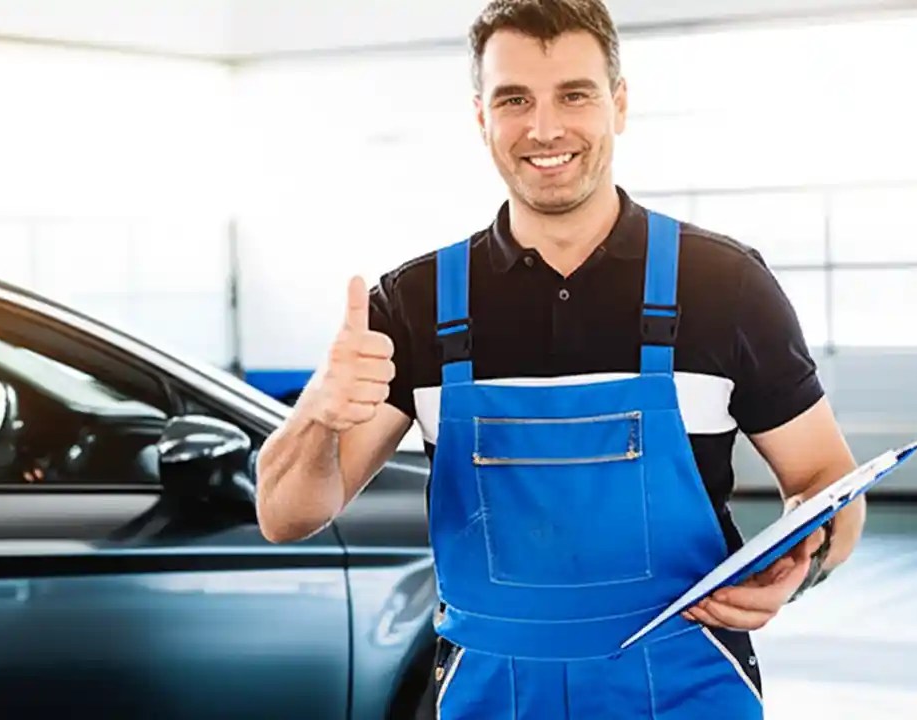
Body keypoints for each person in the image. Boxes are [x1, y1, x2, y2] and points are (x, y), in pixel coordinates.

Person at [254, 0, 862, 716]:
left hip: (688, 689)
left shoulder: (724, 285)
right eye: (515, 100)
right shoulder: (411, 305)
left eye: (574, 94)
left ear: (619, 105)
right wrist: (319, 415)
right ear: (482, 118)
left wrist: (803, 563)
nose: (545, 128)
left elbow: (828, 482)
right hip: (494, 697)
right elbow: (284, 514)